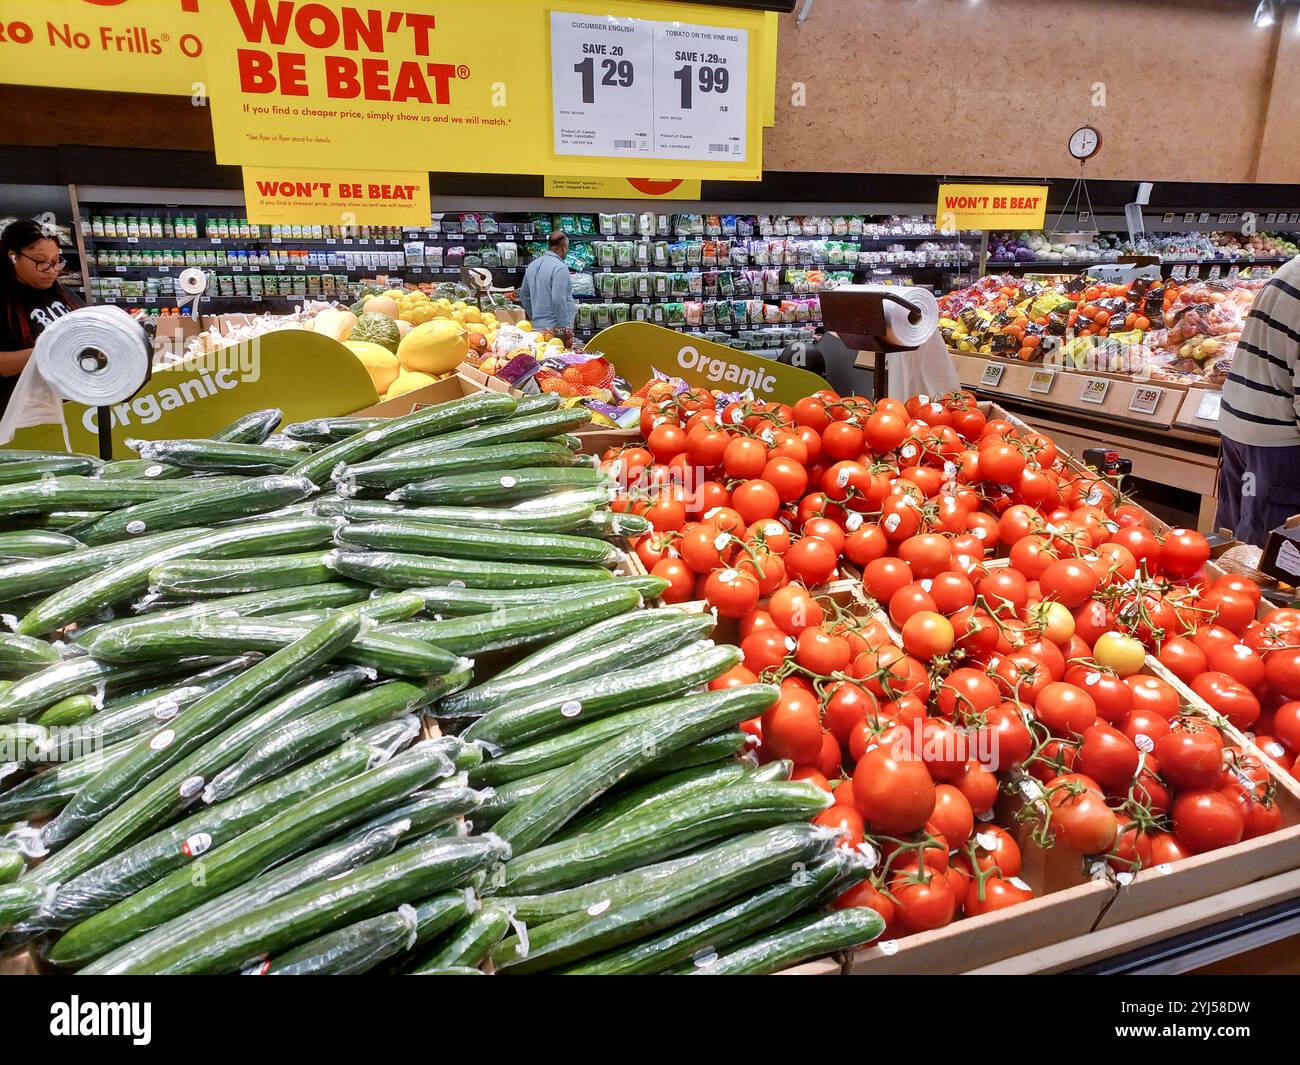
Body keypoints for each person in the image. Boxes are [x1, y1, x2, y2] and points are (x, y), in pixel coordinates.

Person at [1216, 254, 1300, 546]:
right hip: (1278, 442)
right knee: (1271, 559)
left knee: (1232, 542)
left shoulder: (1294, 268)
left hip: (1241, 423)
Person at [0, 219, 80, 417]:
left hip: (71, 407)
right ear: (13, 257)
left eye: (55, 261)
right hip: (23, 417)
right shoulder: (6, 302)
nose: (52, 270)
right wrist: (51, 350)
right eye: (41, 261)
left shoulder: (64, 294)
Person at [518, 229, 576, 344]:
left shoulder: (532, 265)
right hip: (555, 331)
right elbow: (558, 299)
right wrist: (563, 329)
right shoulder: (560, 267)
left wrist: (535, 316)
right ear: (564, 246)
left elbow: (524, 295)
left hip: (537, 328)